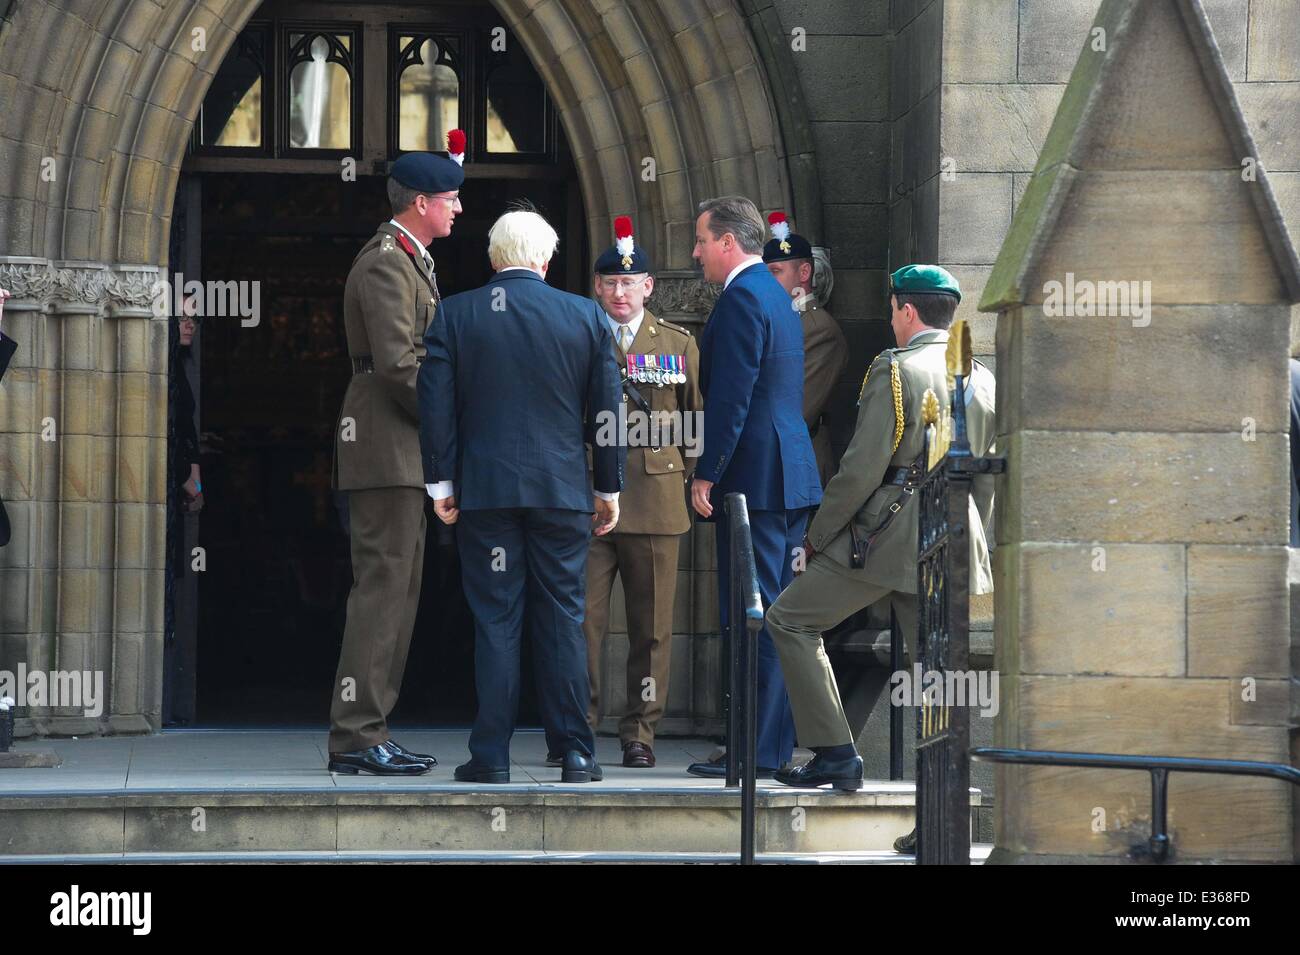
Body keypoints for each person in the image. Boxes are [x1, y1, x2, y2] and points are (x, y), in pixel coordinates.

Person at [764, 265, 996, 845]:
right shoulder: (983, 378)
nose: (892, 318)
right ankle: (943, 820)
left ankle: (837, 752)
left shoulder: (896, 370)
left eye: (893, 308)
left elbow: (863, 468)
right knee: (940, 680)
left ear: (907, 312)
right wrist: (979, 544)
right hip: (954, 538)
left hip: (882, 540)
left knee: (789, 619)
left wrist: (819, 533)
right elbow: (987, 480)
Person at [419, 206, 624, 784]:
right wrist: (608, 487)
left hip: (485, 492)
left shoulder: (455, 315)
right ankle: (576, 752)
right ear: (545, 259)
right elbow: (607, 412)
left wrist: (441, 485)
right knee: (563, 616)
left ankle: (491, 755)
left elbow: (436, 410)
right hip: (561, 491)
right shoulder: (585, 316)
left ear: (492, 259)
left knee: (496, 619)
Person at [326, 133, 466, 776]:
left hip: (399, 450)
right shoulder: (387, 261)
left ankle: (370, 727)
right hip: (385, 448)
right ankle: (356, 735)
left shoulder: (410, 258)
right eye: (450, 198)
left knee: (397, 593)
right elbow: (399, 366)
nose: (458, 209)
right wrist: (457, 422)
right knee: (382, 592)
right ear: (418, 203)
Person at [687, 196, 823, 778]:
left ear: (727, 243)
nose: (695, 253)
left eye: (700, 241)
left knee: (756, 612)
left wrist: (707, 471)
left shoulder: (744, 296)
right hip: (784, 475)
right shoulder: (774, 294)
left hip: (755, 480)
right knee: (777, 613)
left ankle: (758, 751)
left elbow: (733, 398)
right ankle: (764, 742)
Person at [579, 216, 702, 769]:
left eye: (631, 283)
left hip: (654, 499)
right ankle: (579, 727)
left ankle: (640, 733)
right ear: (597, 287)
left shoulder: (677, 343)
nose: (620, 292)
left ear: (649, 286)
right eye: (610, 283)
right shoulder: (578, 335)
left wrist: (697, 479)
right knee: (583, 623)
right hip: (587, 499)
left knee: (652, 631)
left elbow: (694, 420)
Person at [762, 212, 848, 487]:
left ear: (804, 272)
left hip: (796, 461)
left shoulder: (818, 329)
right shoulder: (776, 320)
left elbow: (795, 410)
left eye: (776, 272)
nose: (768, 282)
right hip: (770, 459)